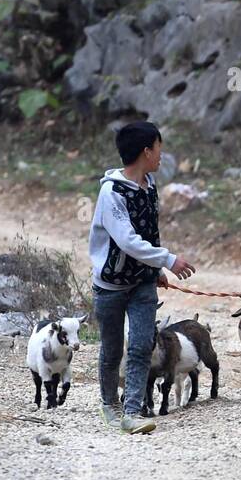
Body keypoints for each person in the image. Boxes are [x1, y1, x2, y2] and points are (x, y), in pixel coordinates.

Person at [88, 121, 195, 433]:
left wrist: (155, 270)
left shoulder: (149, 185)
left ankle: (132, 411)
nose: (162, 154)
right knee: (112, 348)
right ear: (146, 151)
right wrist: (169, 260)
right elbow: (128, 241)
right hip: (110, 285)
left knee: (140, 346)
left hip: (143, 285)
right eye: (159, 147)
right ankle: (109, 402)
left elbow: (149, 234)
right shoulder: (112, 193)